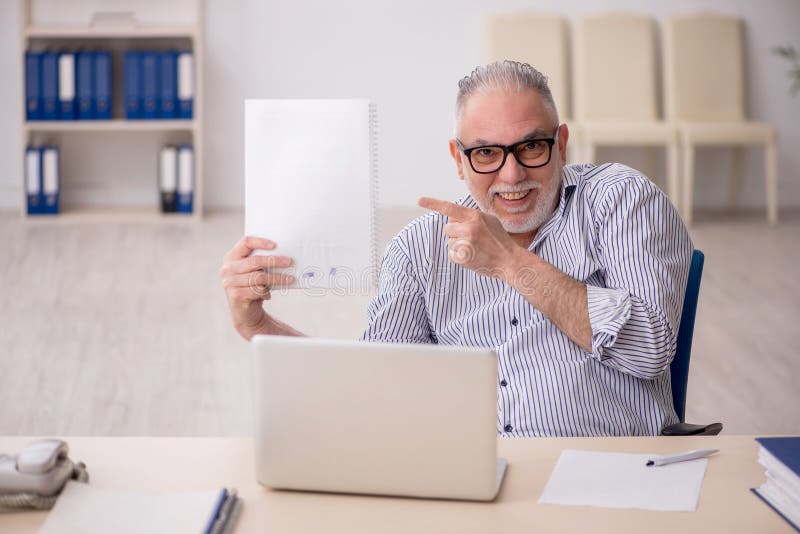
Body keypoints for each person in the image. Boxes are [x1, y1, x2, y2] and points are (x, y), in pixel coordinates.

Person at [221, 60, 692, 437]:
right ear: (458, 159)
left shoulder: (621, 200)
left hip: (614, 471)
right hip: (478, 484)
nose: (511, 176)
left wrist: (510, 261)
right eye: (486, 153)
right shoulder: (418, 249)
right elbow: (372, 385)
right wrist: (258, 326)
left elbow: (650, 350)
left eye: (531, 147)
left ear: (562, 143)